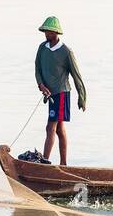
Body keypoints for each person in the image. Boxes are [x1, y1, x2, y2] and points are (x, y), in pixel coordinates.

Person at [34, 16, 87, 166]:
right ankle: (64, 164)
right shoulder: (42, 48)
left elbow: (77, 76)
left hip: (62, 93)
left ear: (56, 33)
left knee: (51, 126)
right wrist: (41, 85)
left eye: (49, 32)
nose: (46, 34)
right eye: (45, 31)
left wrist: (82, 97)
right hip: (49, 94)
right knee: (59, 128)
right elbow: (37, 68)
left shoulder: (66, 52)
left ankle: (44, 163)